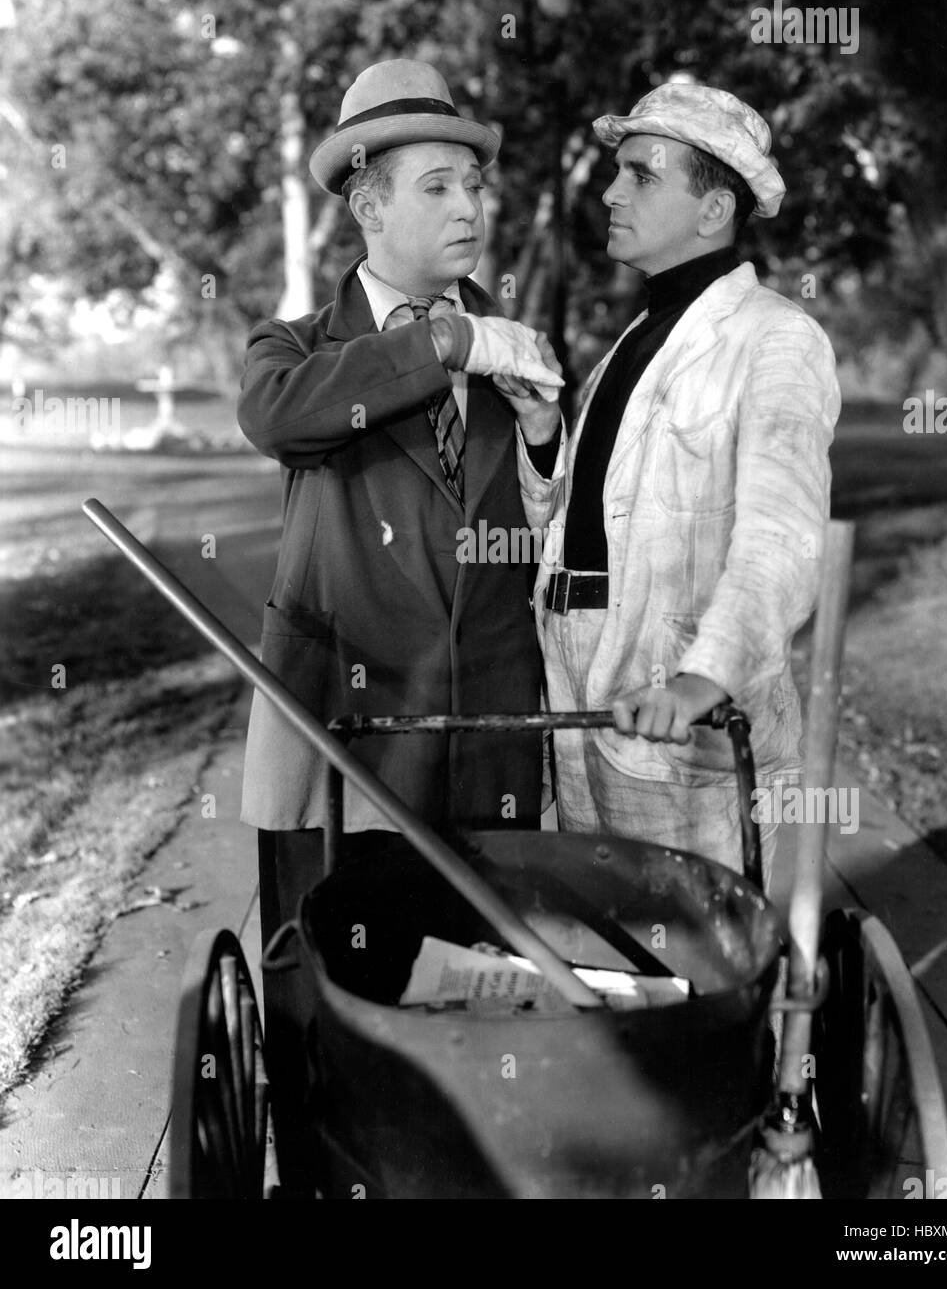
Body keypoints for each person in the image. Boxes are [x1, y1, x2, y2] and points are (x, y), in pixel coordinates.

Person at [236, 61, 562, 1184]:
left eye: (476, 184)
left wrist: (539, 444)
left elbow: (548, 531)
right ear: (368, 203)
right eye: (439, 186)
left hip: (492, 729)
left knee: (484, 977)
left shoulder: (513, 342)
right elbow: (283, 421)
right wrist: (446, 347)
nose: (472, 206)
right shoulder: (292, 350)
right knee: (337, 992)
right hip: (347, 736)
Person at [518, 82, 842, 888]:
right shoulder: (632, 340)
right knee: (612, 947)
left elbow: (783, 537)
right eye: (616, 171)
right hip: (580, 695)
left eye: (640, 174)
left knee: (708, 954)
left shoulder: (775, 340)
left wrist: (704, 677)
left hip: (679, 708)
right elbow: (581, 524)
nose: (609, 190)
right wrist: (537, 435)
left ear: (712, 210)